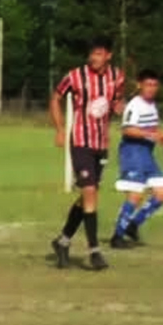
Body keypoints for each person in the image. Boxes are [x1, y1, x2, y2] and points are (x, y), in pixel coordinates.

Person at [49, 37, 123, 271]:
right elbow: (56, 98)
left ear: (108, 55)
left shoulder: (116, 76)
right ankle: (94, 251)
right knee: (90, 192)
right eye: (92, 53)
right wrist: (60, 129)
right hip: (81, 142)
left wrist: (118, 107)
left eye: (99, 54)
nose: (94, 58)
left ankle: (62, 241)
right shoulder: (75, 76)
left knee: (87, 198)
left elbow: (115, 102)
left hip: (101, 144)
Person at [110, 68, 163, 248]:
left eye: (155, 85)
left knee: (162, 193)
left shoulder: (152, 105)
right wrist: (150, 135)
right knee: (135, 195)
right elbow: (127, 130)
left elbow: (152, 129)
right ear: (139, 85)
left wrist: (162, 138)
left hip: (147, 153)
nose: (151, 88)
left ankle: (133, 225)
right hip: (133, 153)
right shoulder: (135, 105)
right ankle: (117, 236)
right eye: (148, 84)